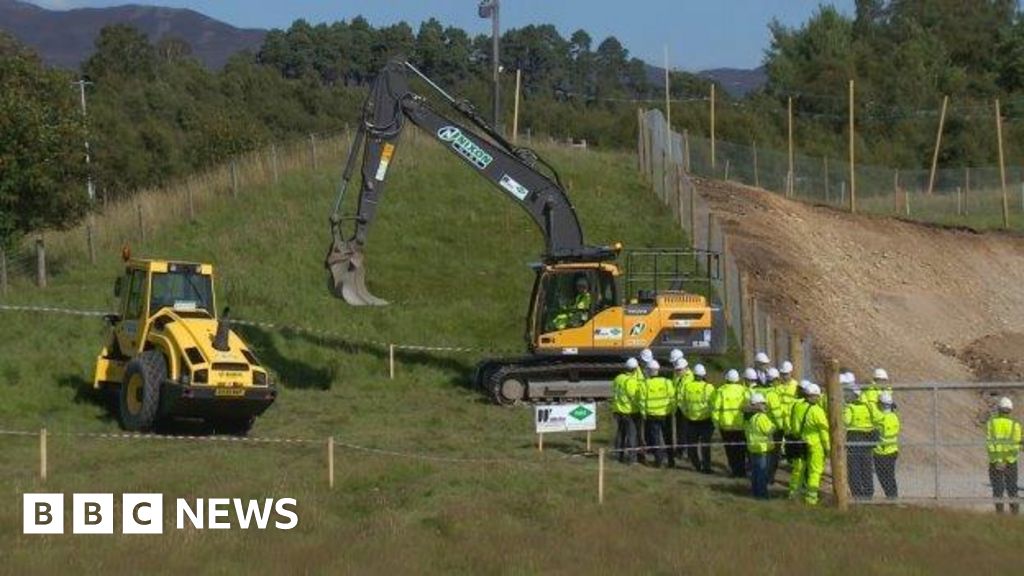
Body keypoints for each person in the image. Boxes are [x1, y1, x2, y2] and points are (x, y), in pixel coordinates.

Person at [987, 397, 1022, 514]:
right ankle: (1014, 515)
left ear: (999, 409)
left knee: (998, 489)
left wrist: (998, 460)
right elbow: (1017, 444)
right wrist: (1007, 459)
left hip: (995, 461)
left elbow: (990, 443)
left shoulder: (991, 422)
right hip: (1010, 461)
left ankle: (1000, 515)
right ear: (1011, 409)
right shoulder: (1016, 424)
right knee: (1012, 488)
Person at [712, 369, 749, 477]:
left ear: (726, 379)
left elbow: (716, 409)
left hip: (726, 426)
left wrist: (716, 422)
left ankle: (734, 470)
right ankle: (741, 471)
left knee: (730, 450)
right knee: (741, 450)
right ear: (737, 379)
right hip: (740, 425)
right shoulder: (743, 390)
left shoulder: (721, 391)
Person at [843, 386, 877, 500]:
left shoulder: (850, 407)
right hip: (867, 438)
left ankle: (857, 493)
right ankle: (869, 492)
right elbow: (875, 420)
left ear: (855, 396)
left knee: (854, 468)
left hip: (854, 437)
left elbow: (846, 421)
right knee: (866, 467)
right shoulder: (868, 406)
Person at [681, 363, 715, 473]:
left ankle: (697, 465)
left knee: (692, 446)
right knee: (705, 446)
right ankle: (706, 467)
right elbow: (713, 404)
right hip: (706, 420)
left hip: (691, 420)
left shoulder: (687, 386)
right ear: (704, 375)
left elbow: (682, 402)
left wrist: (686, 412)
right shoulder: (708, 387)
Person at [800, 384, 831, 505]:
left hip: (802, 440)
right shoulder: (817, 411)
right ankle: (811, 498)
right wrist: (827, 448)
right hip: (815, 444)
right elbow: (823, 432)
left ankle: (798, 492)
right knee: (815, 471)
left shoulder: (800, 406)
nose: (819, 398)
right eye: (817, 396)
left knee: (802, 469)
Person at [641, 360, 675, 468]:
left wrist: (643, 413)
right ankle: (671, 460)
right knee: (668, 438)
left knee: (655, 439)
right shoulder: (667, 382)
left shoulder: (645, 384)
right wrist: (671, 410)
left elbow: (642, 401)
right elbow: (672, 398)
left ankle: (658, 460)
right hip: (666, 414)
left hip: (652, 415)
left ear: (649, 371)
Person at [745, 392, 777, 499]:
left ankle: (755, 492)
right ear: (757, 405)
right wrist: (773, 425)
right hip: (762, 449)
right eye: (763, 404)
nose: (764, 405)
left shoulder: (751, 417)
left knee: (755, 472)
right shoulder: (762, 417)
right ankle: (762, 495)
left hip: (753, 448)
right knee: (762, 473)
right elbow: (768, 430)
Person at [612, 358, 641, 464]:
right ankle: (632, 459)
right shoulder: (631, 382)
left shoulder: (618, 378)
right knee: (631, 435)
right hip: (629, 412)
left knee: (620, 434)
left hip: (618, 411)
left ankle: (618, 456)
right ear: (635, 369)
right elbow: (635, 397)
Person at [787, 381, 812, 500]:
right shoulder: (808, 406)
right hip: (805, 439)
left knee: (798, 468)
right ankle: (804, 490)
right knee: (804, 467)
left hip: (794, 438)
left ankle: (795, 492)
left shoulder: (794, 404)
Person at [873, 391, 900, 499]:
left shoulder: (880, 419)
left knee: (883, 477)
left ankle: (891, 496)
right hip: (892, 450)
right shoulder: (894, 417)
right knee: (890, 476)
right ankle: (893, 496)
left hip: (881, 452)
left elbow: (875, 433)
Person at [764, 367, 787, 484]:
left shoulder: (762, 391)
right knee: (774, 455)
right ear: (775, 380)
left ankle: (764, 476)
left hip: (763, 427)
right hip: (774, 428)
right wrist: (782, 426)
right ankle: (769, 478)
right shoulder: (772, 395)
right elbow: (776, 413)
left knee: (765, 453)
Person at [670, 357, 694, 466]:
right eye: (677, 370)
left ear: (686, 368)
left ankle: (687, 452)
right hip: (679, 408)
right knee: (680, 431)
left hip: (687, 409)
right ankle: (680, 450)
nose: (678, 371)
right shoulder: (677, 376)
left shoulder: (690, 378)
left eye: (680, 370)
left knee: (687, 432)